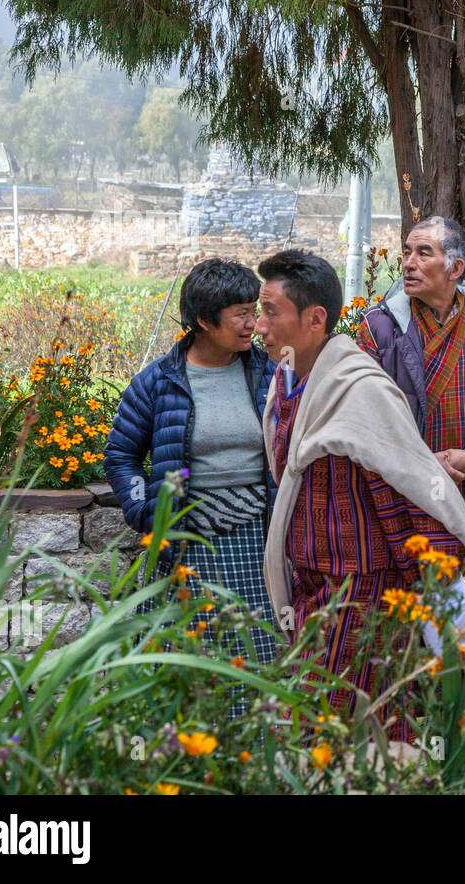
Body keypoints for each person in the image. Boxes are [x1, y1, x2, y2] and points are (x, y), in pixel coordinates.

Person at [255, 250, 465, 725]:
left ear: (315, 319)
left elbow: (408, 493)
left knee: (348, 726)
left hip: (364, 599)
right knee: (324, 726)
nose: (259, 326)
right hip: (313, 589)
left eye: (271, 312)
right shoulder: (287, 380)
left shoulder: (360, 391)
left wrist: (438, 585)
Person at [105, 258, 278, 662]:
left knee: (255, 658)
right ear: (204, 320)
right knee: (185, 661)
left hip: (257, 543)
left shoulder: (271, 373)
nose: (254, 324)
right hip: (186, 544)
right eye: (241, 315)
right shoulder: (158, 382)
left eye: (255, 312)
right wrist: (148, 512)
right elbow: (120, 455)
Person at [358, 216, 465, 565]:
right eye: (406, 252)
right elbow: (363, 410)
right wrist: (419, 462)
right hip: (401, 496)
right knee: (406, 609)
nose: (408, 263)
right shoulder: (377, 330)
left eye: (424, 253)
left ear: (455, 268)